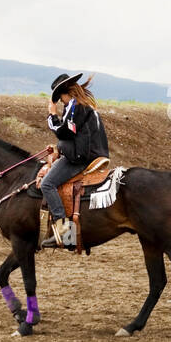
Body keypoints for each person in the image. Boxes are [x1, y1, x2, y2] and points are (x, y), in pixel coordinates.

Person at [40, 73, 109, 246]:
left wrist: (51, 115)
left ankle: (64, 233)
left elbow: (63, 131)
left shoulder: (74, 106)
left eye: (60, 98)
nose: (61, 102)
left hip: (80, 157)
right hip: (94, 153)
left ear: (65, 93)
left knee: (47, 184)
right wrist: (60, 147)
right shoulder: (87, 107)